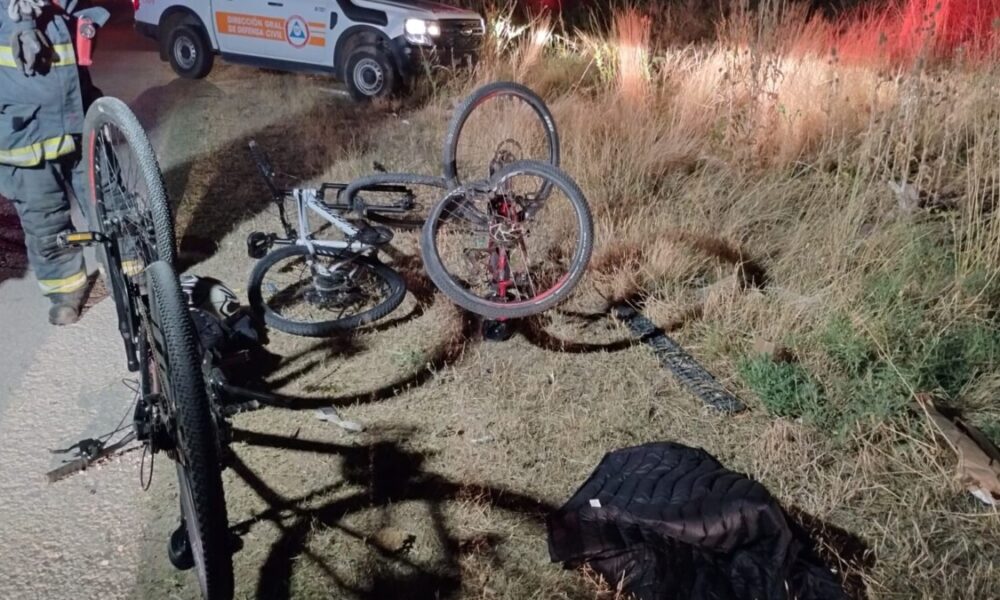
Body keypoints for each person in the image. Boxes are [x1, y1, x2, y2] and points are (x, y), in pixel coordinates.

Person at [0, 0, 98, 324]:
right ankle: (66, 291)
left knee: (108, 198)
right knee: (45, 220)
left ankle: (136, 270)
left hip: (78, 114)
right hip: (22, 134)